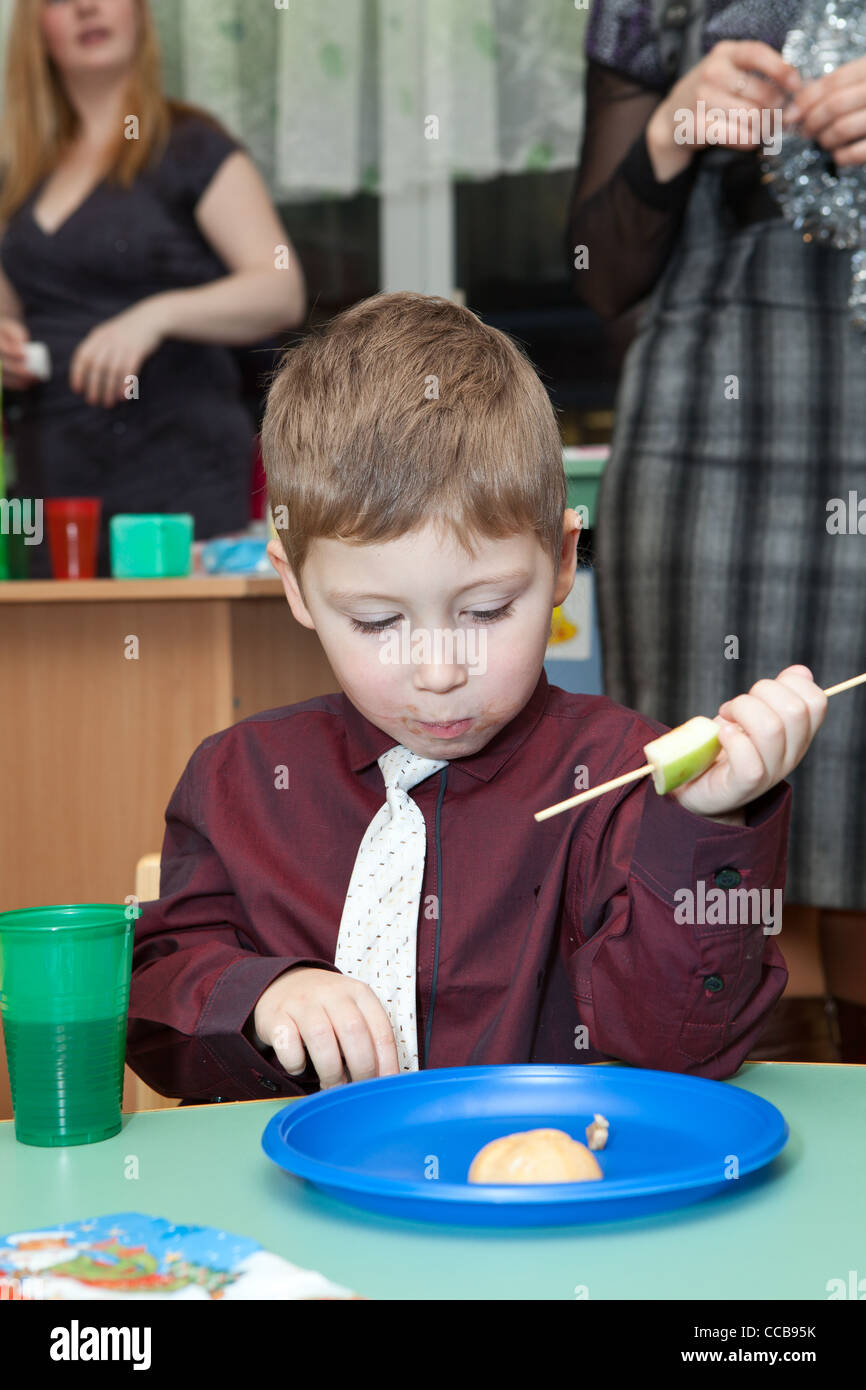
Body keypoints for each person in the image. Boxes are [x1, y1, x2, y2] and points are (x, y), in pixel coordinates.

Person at [126, 291, 828, 1103]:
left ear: (564, 558)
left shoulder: (624, 782)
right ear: (296, 587)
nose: (438, 670)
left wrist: (707, 828)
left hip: (545, 1205)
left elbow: (684, 1050)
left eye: (487, 610)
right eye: (378, 620)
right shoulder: (239, 779)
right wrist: (261, 995)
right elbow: (157, 1000)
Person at [567, 0, 866, 1062]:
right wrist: (667, 133)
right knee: (702, 829)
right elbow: (594, 277)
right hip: (703, 442)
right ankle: (729, 1152)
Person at [0, 0, 306, 577]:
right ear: (34, 29)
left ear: (140, 14)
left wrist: (155, 315)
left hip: (177, 479)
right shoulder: (16, 173)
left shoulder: (191, 146)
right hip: (53, 485)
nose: (86, 7)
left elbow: (280, 287)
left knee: (177, 661)